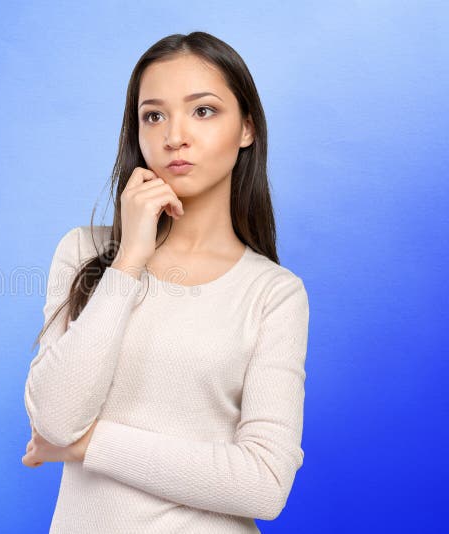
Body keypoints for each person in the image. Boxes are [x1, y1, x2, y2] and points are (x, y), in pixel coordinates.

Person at [21, 31, 310, 533]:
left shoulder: (273, 293)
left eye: (203, 111)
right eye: (153, 116)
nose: (175, 136)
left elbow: (265, 484)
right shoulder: (84, 251)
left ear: (246, 128)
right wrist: (130, 258)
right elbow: (54, 420)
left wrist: (90, 445)